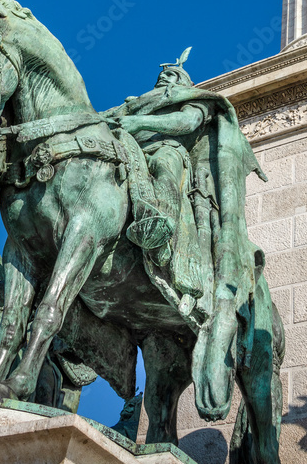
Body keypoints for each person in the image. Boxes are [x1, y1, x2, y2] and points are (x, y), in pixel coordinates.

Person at [108, 49, 267, 420]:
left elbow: (183, 125)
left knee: (164, 162)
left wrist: (138, 126)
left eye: (173, 76)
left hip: (168, 155)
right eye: (162, 76)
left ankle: (156, 221)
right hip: (127, 152)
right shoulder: (133, 104)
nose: (165, 79)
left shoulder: (193, 103)